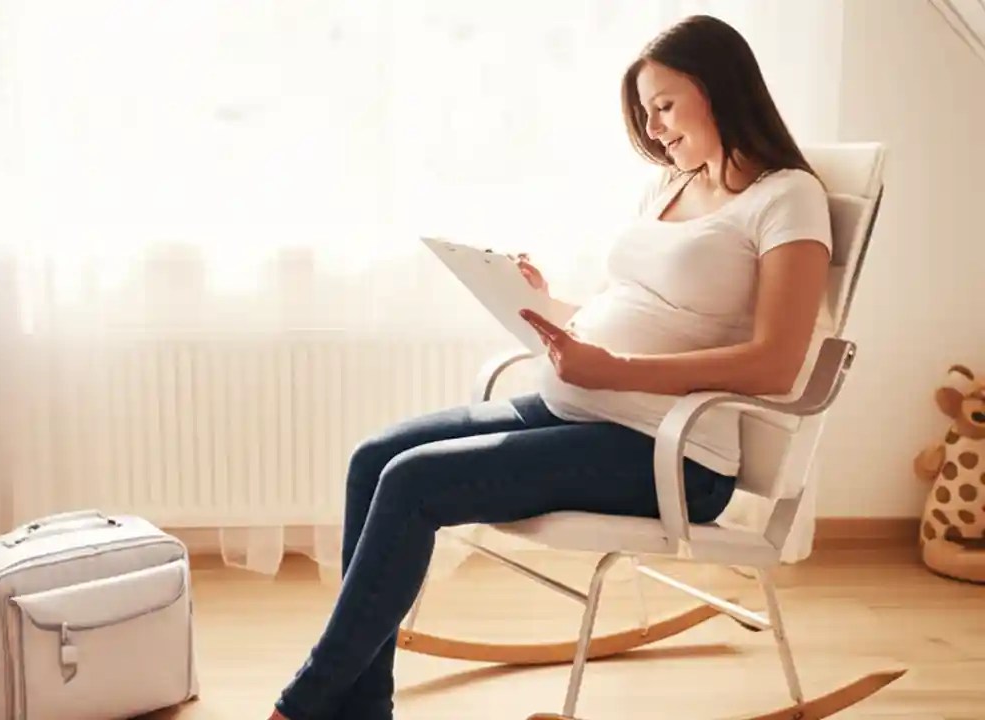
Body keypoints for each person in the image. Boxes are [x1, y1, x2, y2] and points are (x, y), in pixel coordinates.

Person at [268, 14, 833, 720]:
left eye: (664, 105)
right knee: (374, 456)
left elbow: (777, 364)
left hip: (670, 451)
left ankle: (303, 704)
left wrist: (613, 367)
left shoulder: (788, 199)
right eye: (645, 112)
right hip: (581, 407)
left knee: (414, 483)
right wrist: (545, 304)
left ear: (721, 86)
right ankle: (360, 711)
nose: (654, 129)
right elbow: (637, 306)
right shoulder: (671, 184)